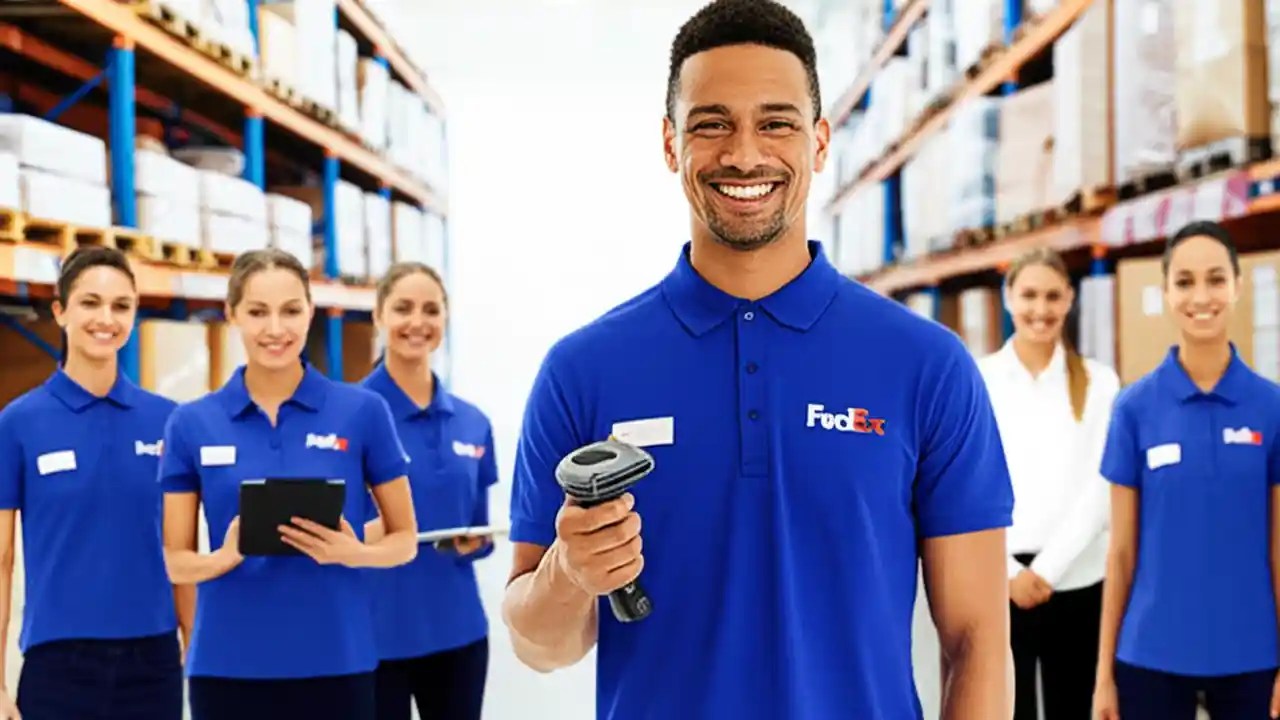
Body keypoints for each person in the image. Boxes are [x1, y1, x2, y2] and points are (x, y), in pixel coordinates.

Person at [501, 1, 1016, 718]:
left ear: (820, 142)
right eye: (711, 124)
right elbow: (540, 647)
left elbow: (979, 639)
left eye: (776, 123)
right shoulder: (581, 371)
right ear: (671, 144)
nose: (744, 154)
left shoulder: (927, 366)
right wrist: (569, 573)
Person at [157, 248, 419, 720]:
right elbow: (174, 560)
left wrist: (352, 551)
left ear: (310, 312)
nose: (275, 329)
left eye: (290, 311)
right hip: (227, 668)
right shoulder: (192, 423)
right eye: (258, 312)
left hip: (337, 663)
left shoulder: (362, 412)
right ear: (232, 314)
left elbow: (404, 540)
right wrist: (221, 558)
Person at [1092, 220, 1280, 720]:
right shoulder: (1133, 409)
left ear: (1237, 286)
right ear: (1166, 292)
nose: (1201, 297)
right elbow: (1120, 553)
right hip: (1150, 655)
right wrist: (1104, 676)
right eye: (1184, 281)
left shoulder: (1271, 408)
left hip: (1253, 654)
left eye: (1216, 279)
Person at [0, 246, 191, 719]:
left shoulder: (168, 422)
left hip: (153, 664)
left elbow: (181, 550)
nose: (106, 319)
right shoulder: (19, 424)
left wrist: (196, 643)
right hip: (57, 664)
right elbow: (1, 560)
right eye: (90, 302)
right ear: (60, 311)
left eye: (121, 306)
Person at [978, 248, 1119, 720]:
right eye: (1029, 295)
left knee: (1072, 708)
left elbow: (1101, 488)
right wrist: (1010, 573)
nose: (1041, 309)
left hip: (1077, 581)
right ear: (1008, 297)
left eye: (1053, 296)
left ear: (1070, 300)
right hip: (1000, 581)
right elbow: (968, 485)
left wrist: (1046, 571)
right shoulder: (979, 380)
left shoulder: (1100, 384)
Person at [361, 262, 497, 720]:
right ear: (378, 316)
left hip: (458, 634)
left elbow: (478, 526)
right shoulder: (348, 417)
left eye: (431, 310)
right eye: (402, 308)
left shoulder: (473, 422)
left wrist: (477, 542)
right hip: (374, 638)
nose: (417, 322)